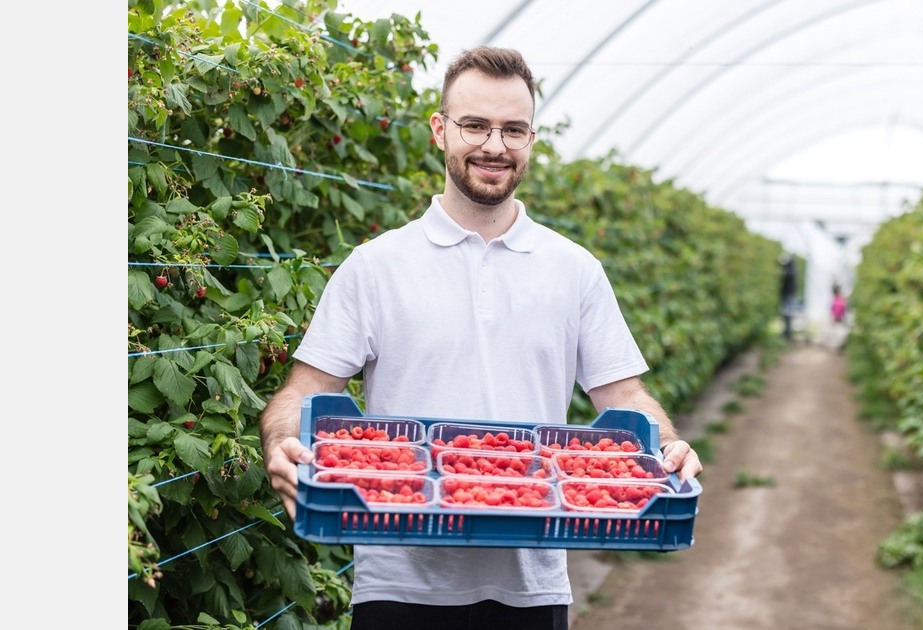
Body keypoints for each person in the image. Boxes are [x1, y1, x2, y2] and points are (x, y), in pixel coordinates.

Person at [259, 46, 703, 630]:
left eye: (513, 129)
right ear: (439, 130)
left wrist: (667, 445)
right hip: (399, 583)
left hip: (531, 583)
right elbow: (302, 392)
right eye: (475, 125)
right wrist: (283, 443)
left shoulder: (574, 270)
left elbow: (625, 397)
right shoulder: (376, 266)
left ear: (531, 141)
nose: (495, 145)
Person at [779, 254, 798, 339]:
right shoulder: (793, 271)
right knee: (787, 314)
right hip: (790, 295)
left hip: (788, 295)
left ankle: (788, 333)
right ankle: (787, 332)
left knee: (787, 314)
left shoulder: (790, 272)